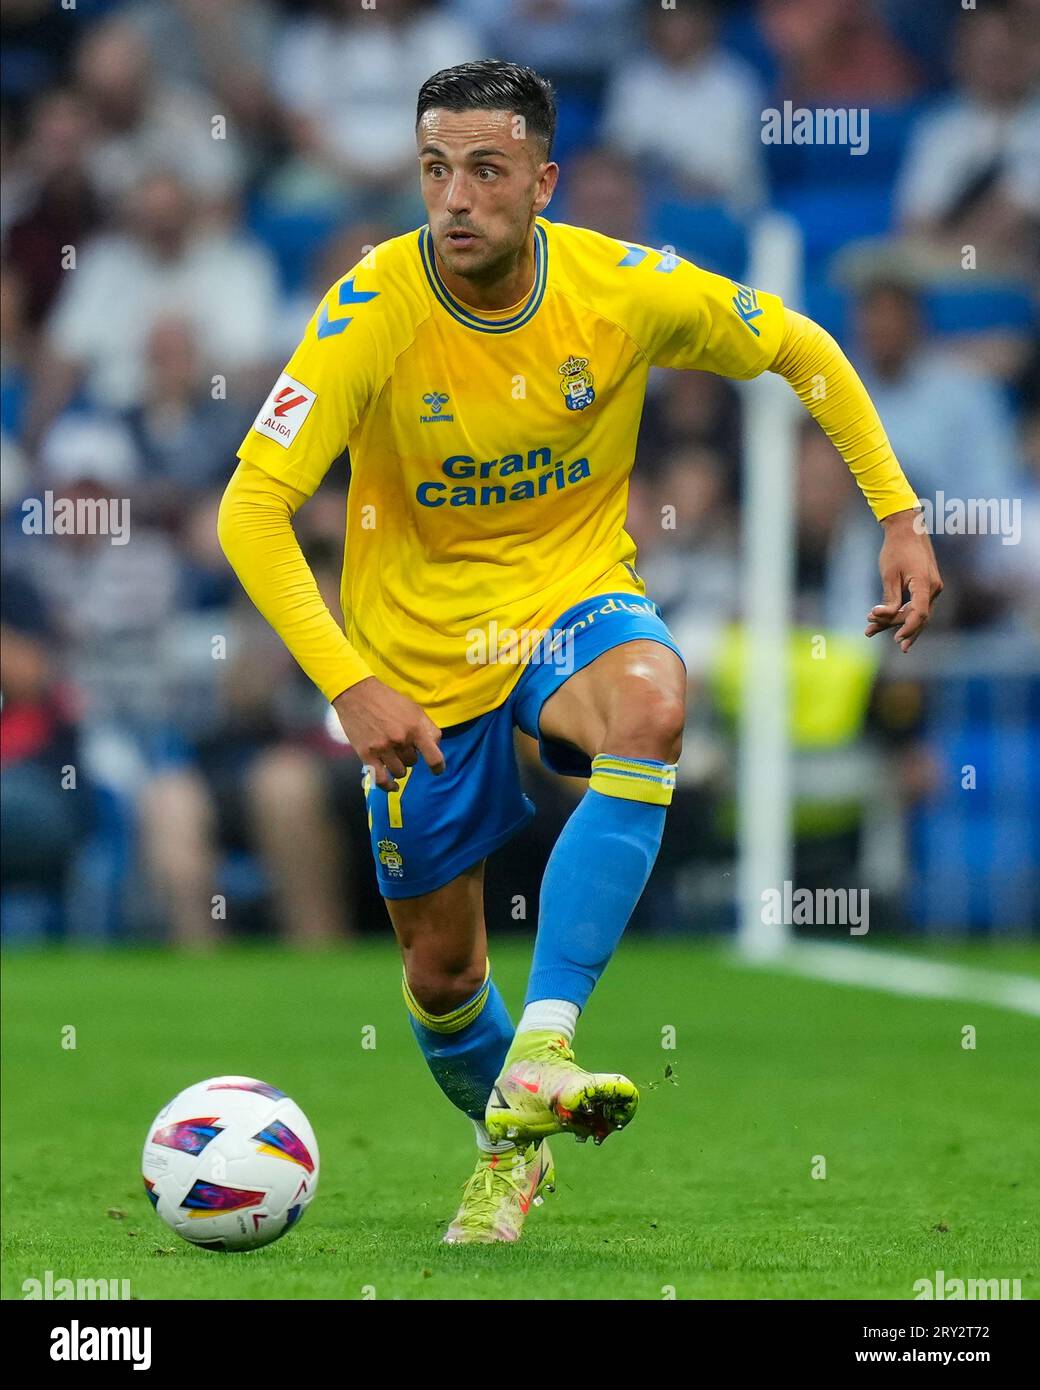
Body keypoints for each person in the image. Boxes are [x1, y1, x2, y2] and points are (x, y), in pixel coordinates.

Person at [218, 60, 942, 1245]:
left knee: (654, 702)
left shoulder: (620, 290)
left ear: (543, 182)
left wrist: (897, 513)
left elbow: (799, 344)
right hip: (416, 662)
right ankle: (508, 1144)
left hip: (568, 601)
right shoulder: (372, 303)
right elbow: (248, 509)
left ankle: (548, 1040)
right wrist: (349, 680)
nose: (454, 198)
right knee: (443, 978)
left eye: (487, 170)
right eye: (435, 169)